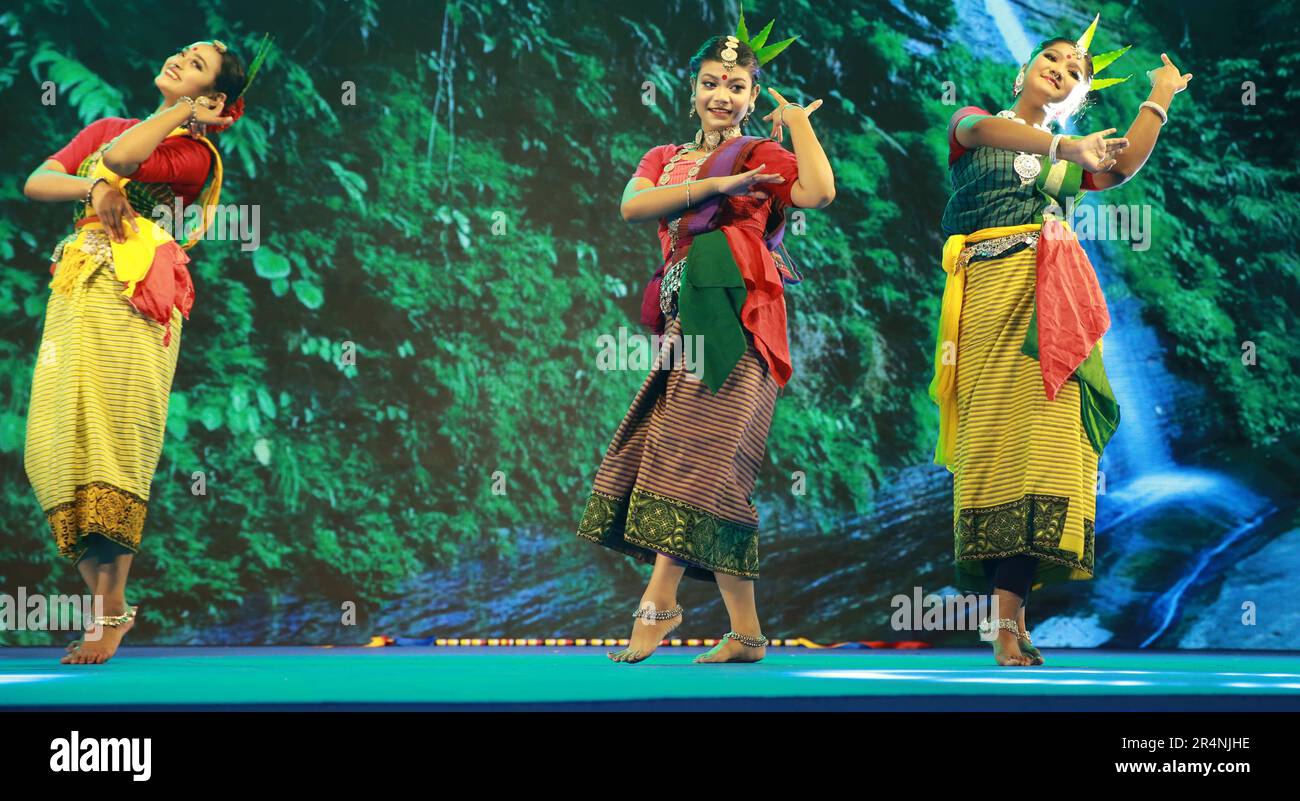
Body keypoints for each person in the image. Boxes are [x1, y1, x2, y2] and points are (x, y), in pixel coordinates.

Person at [931, 15, 1192, 665]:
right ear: (1023, 71)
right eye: (1051, 58)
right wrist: (1064, 148)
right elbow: (989, 132)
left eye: (1074, 72)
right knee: (994, 452)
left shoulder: (1049, 161)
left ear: (1077, 98)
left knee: (1048, 453)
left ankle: (1007, 622)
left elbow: (1117, 169)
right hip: (990, 301)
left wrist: (1156, 98)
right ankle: (1003, 623)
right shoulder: (977, 124)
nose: (1060, 68)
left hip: (1051, 305)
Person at [576, 16, 835, 665]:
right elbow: (635, 206)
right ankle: (747, 635)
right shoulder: (665, 158)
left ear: (752, 97)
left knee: (694, 459)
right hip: (681, 322)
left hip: (737, 317)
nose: (723, 93)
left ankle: (657, 602)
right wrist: (717, 186)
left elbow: (820, 191)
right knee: (716, 475)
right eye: (712, 81)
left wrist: (797, 122)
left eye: (737, 85)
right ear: (692, 88)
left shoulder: (761, 154)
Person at [21, 36, 272, 665]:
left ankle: (110, 612)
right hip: (79, 292)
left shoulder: (193, 153)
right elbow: (37, 181)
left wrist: (179, 120)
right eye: (180, 54)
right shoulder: (113, 125)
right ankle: (113, 609)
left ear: (213, 101)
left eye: (193, 67)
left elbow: (125, 162)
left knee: (114, 445)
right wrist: (91, 192)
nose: (175, 62)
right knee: (51, 449)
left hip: (136, 305)